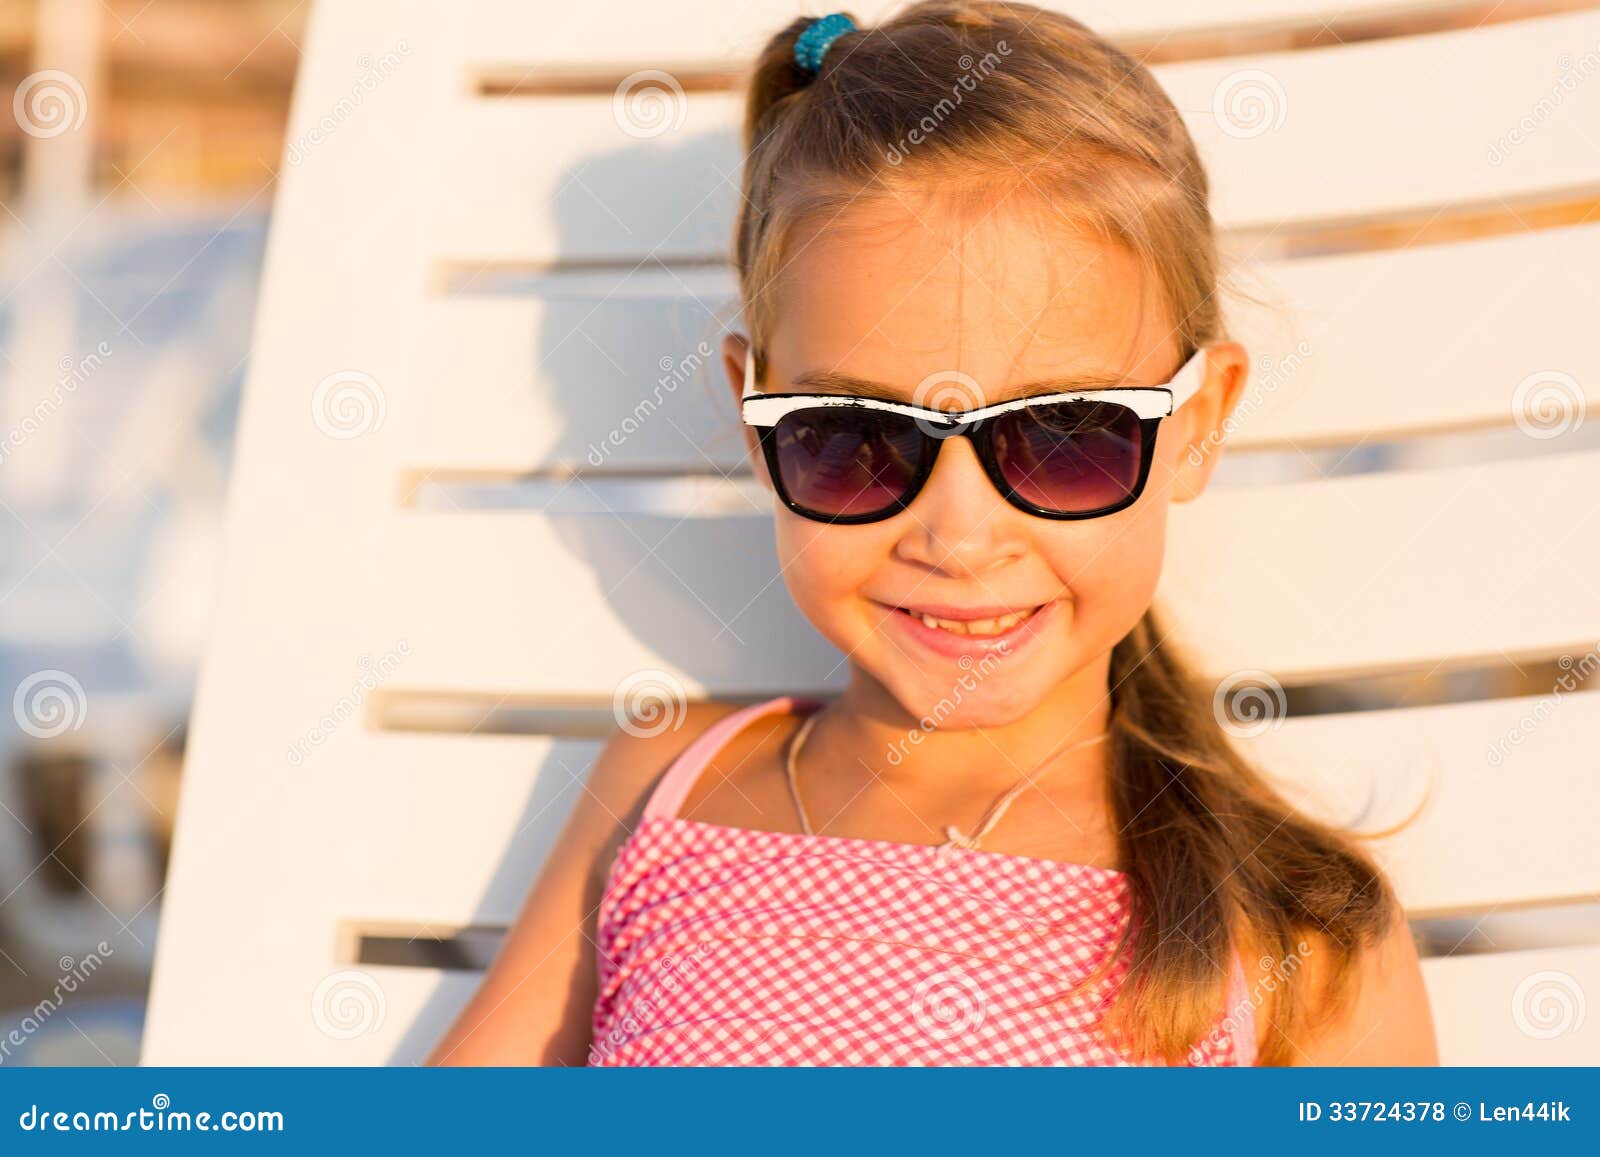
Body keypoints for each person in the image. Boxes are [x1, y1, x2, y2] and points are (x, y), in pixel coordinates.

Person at [429, 1, 1437, 1067]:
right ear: (755, 419)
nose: (958, 536)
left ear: (1196, 426)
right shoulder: (662, 785)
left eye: (1065, 434)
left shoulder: (1297, 935)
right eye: (854, 434)